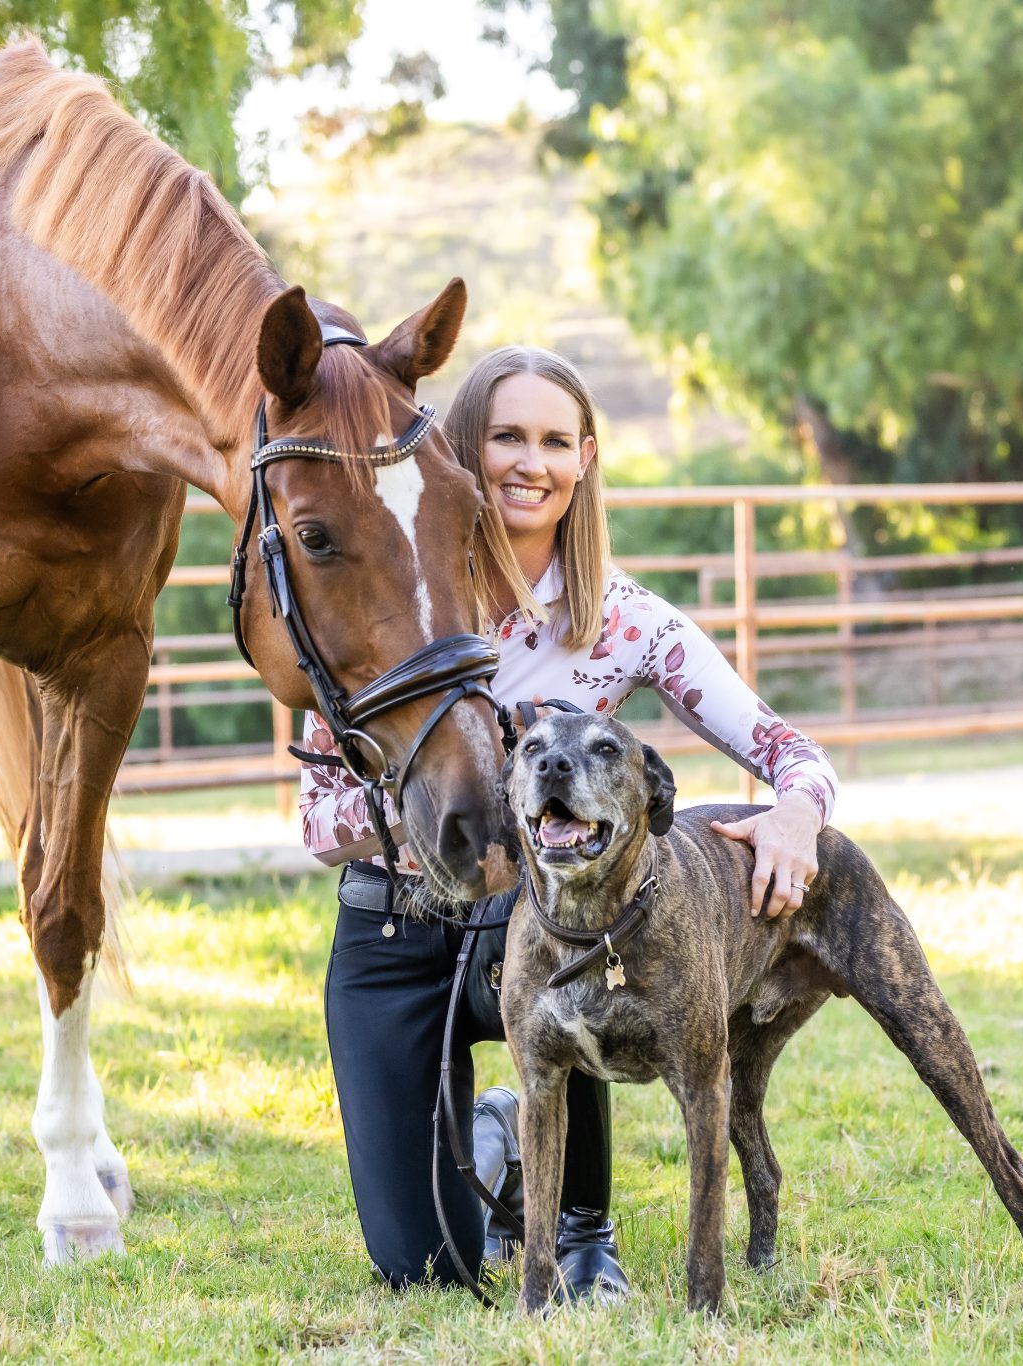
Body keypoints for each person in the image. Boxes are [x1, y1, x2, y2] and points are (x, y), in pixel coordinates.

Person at [301, 345, 839, 1299]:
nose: (529, 462)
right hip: (395, 924)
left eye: (555, 441)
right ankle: (503, 1140)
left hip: (540, 924)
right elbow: (316, 819)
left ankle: (585, 1228)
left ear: (584, 461)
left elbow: (787, 749)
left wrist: (798, 812)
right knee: (424, 1270)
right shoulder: (391, 593)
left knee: (577, 924)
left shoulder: (624, 620)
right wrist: (460, 806)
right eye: (506, 436)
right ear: (464, 450)